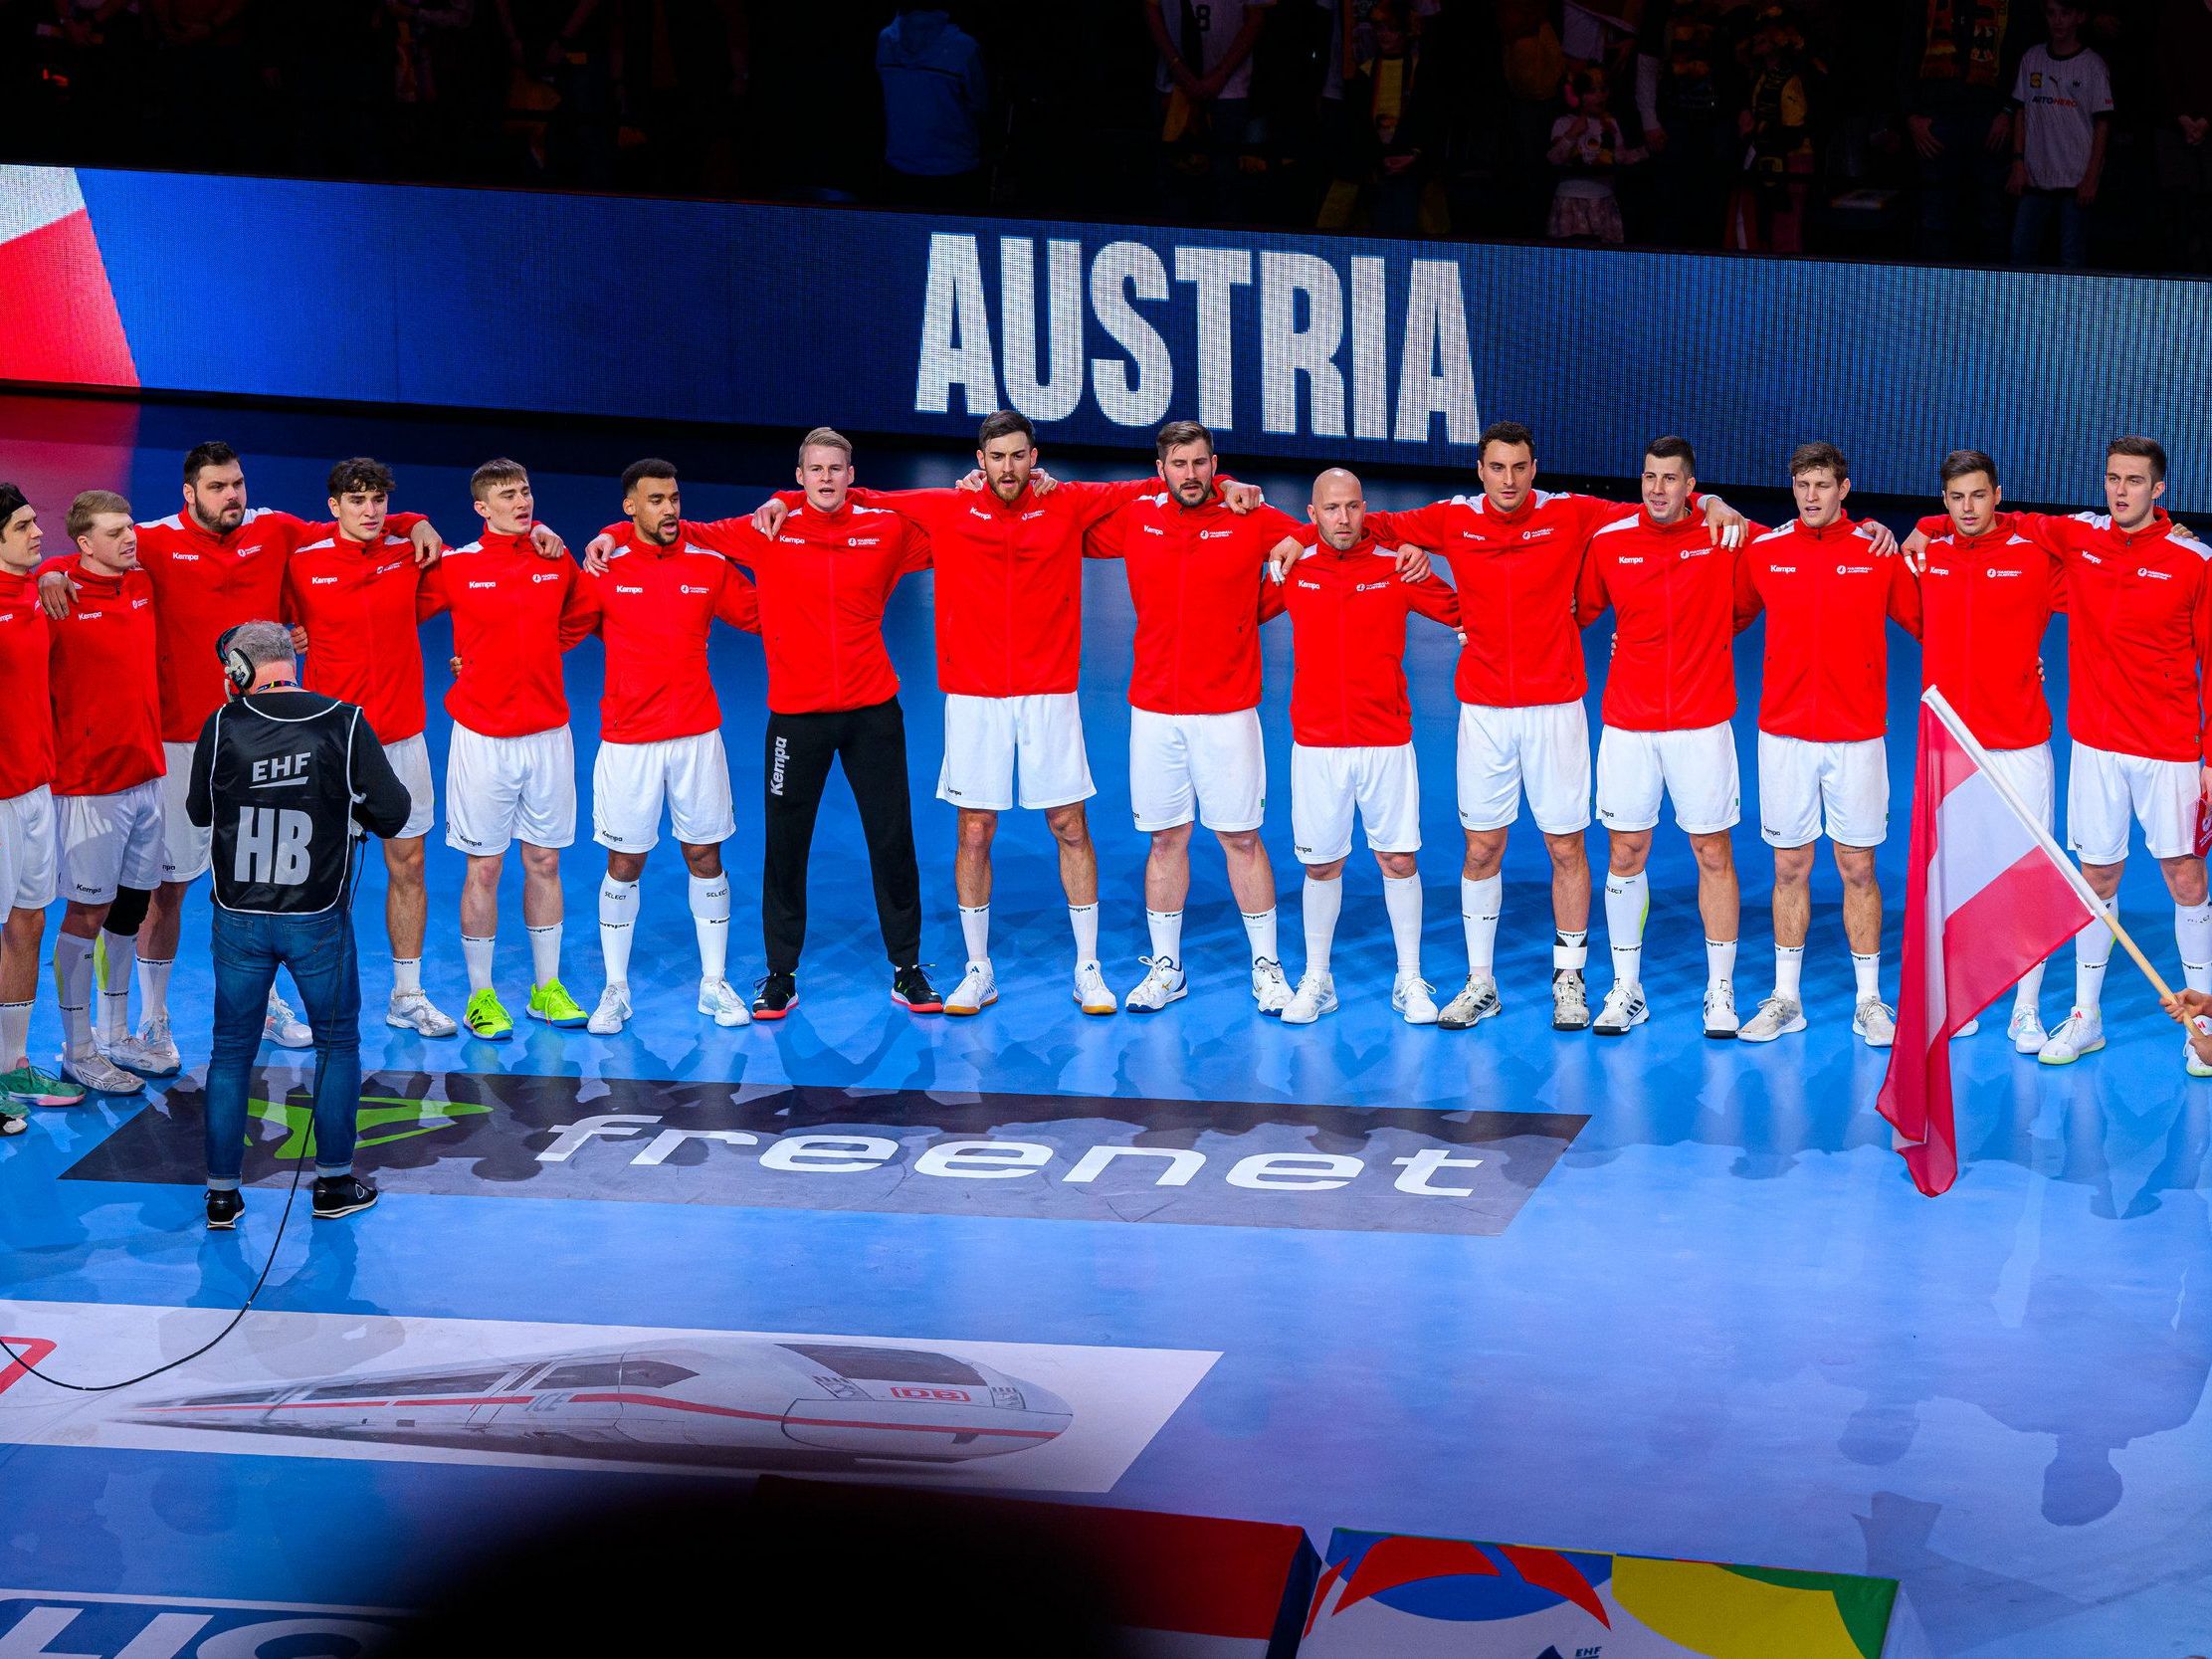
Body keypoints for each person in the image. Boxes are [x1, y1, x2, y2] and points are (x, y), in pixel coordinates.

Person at [748, 412, 1259, 1017]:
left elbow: (1158, 485)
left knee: (1070, 825)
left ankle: (1088, 968)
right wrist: (784, 496)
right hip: (974, 697)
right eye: (998, 458)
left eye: (1019, 456)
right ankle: (977, 969)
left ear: (1033, 457)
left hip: (1049, 695)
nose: (1009, 468)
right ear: (980, 461)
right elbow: (851, 494)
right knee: (974, 830)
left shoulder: (1067, 501)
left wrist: (1231, 488)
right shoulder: (947, 507)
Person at [37, 441, 453, 1063]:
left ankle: (265, 1004)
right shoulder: (151, 541)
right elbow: (95, 549)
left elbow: (352, 522)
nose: (231, 497)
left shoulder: (275, 530)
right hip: (182, 741)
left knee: (267, 876)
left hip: (265, 734)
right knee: (169, 887)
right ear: (189, 494)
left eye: (236, 484)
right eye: (216, 487)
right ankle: (153, 1019)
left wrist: (410, 520)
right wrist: (54, 570)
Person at [1329, 420, 1748, 1034]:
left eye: (1519, 468)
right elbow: (1362, 524)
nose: (1508, 480)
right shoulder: (1452, 519)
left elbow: (1656, 507)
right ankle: (1480, 984)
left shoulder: (1573, 513)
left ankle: (1571, 978)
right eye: (1497, 468)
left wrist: (1712, 500)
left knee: (1566, 846)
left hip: (1557, 710)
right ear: (1480, 471)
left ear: (1534, 468)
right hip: (1485, 713)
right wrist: (1287, 538)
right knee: (1482, 847)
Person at [595, 437, 939, 1022]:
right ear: (799, 475)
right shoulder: (766, 529)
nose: (826, 479)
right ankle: (781, 974)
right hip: (796, 717)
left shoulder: (886, 529)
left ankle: (908, 969)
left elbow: (954, 529)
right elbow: (677, 531)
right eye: (814, 471)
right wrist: (612, 531)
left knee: (891, 839)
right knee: (786, 847)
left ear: (850, 476)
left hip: (873, 710)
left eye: (836, 470)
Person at [1906, 437, 2212, 1076]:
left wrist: (2209, 754)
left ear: (2159, 489)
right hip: (2096, 745)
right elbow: (1990, 518)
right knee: (2093, 877)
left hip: (2170, 749)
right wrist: (1924, 525)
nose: (2119, 491)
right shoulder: (2078, 538)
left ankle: (2201, 1021)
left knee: (2184, 876)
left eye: (2134, 481)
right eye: (2111, 479)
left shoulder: (2194, 560)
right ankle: (2085, 1015)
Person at [185, 621, 413, 1230]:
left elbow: (199, 810)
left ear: (238, 670)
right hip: (316, 918)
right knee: (337, 1044)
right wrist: (342, 806)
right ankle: (334, 1183)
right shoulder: (345, 720)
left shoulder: (221, 725)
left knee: (231, 1053)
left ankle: (223, 1196)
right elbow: (393, 813)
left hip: (239, 918)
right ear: (290, 663)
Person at [1083, 421, 1306, 1013]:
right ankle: (1166, 968)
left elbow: (1313, 539)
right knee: (1166, 837)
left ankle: (1267, 968)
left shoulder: (1249, 515)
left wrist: (1250, 612)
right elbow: (1065, 525)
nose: (1191, 475)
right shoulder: (1137, 516)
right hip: (1154, 710)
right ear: (1161, 469)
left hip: (1228, 711)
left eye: (1202, 464)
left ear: (1215, 465)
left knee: (1239, 836)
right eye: (1179, 464)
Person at [1731, 442, 1914, 1048]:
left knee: (1858, 867)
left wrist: (2018, 662)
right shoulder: (1766, 551)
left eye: (1821, 485)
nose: (1811, 496)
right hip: (1782, 736)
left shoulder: (1877, 552)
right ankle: (1787, 998)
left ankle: (1869, 1001)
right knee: (1790, 865)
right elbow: (1724, 617)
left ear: (1844, 488)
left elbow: (1932, 622)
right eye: (1801, 484)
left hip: (1857, 737)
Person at [1271, 469, 1463, 1027]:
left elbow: (1465, 612)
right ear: (1312, 513)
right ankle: (1318, 979)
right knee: (1322, 866)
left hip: (1386, 741)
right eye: (1331, 509)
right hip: (1317, 743)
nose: (1344, 519)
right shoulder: (1292, 567)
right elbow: (1235, 613)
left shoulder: (1396, 566)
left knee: (1398, 859)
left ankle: (1409, 979)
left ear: (1365, 509)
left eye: (1353, 507)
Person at [575, 459, 759, 1034]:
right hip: (629, 741)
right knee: (624, 862)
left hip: (697, 737)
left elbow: (765, 617)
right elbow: (550, 631)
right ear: (630, 507)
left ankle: (713, 982)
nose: (671, 509)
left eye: (675, 498)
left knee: (706, 856)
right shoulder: (605, 567)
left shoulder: (709, 566)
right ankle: (615, 989)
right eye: (656, 500)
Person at [418, 459, 600, 1040]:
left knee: (545, 861)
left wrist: (534, 654)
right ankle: (481, 995)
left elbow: (583, 613)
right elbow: (398, 611)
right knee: (486, 866)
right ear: (481, 507)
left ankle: (546, 988)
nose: (520, 502)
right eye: (506, 495)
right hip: (483, 740)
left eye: (525, 491)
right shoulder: (457, 566)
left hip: (549, 735)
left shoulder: (553, 556)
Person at [1894, 450, 2067, 1051]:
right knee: (1956, 875)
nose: (1967, 509)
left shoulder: (2034, 557)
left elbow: (2102, 582)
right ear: (1943, 502)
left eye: (1978, 496)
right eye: (1955, 499)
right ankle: (1962, 1000)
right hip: (1952, 744)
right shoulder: (1924, 557)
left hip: (2019, 742)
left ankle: (2025, 1007)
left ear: (1997, 494)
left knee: (2027, 875)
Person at [1574, 437, 1748, 1039]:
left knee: (1713, 853)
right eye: (1649, 477)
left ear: (1690, 485)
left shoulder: (1724, 535)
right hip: (1628, 724)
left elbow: (1746, 605)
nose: (1657, 489)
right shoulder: (1611, 541)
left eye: (1670, 479)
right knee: (1625, 853)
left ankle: (1720, 990)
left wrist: (1704, 643)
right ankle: (1626, 990)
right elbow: (1575, 610)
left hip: (1703, 724)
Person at [283, 458, 460, 1038]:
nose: (370, 510)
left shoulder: (408, 551)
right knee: (313, 875)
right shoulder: (301, 563)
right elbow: (271, 621)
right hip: (330, 742)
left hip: (403, 738)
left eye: (379, 500)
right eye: (356, 500)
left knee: (408, 863)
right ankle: (307, 995)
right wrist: (291, 632)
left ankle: (407, 994)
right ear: (332, 506)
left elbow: (481, 570)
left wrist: (418, 522)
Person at [43, 492, 162, 1095]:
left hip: (148, 774)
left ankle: (117, 1034)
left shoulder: (142, 584)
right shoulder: (56, 598)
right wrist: (48, 572)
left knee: (129, 910)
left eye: (131, 527)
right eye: (114, 533)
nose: (129, 538)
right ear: (83, 544)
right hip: (88, 787)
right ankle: (77, 1047)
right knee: (85, 913)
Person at [0, 485, 85, 1118]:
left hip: (36, 790)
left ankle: (12, 1066)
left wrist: (52, 567)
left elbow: (75, 561)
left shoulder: (39, 591)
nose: (38, 533)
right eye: (24, 525)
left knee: (28, 920)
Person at [1902, 0, 2024, 261]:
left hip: (1988, 120)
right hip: (1936, 120)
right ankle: (1935, 295)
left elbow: (2020, 57)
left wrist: (2007, 112)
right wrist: (1911, 115)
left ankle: (1993, 295)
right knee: (1934, 220)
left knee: (1992, 218)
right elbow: (1906, 53)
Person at [2008, 0, 2112, 267]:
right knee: (2020, 253)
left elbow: (2102, 124)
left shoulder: (2092, 65)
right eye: (2052, 13)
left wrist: (2091, 177)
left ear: (2079, 17)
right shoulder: (2032, 58)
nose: (2058, 21)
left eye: (2065, 13)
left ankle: (2071, 309)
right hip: (2035, 177)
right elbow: (2021, 112)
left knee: (2072, 259)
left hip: (2075, 180)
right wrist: (2017, 163)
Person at [877, 6, 989, 208]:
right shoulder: (965, 48)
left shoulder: (885, 40)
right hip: (955, 171)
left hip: (900, 169)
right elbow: (981, 103)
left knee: (905, 238)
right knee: (958, 236)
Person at [1547, 67, 1645, 242]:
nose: (1600, 96)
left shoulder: (1610, 123)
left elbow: (1620, 157)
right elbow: (1554, 158)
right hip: (1572, 200)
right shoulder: (1564, 123)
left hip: (1603, 199)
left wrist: (1647, 150)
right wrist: (1572, 134)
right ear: (1577, 96)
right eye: (1592, 91)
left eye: (1603, 90)